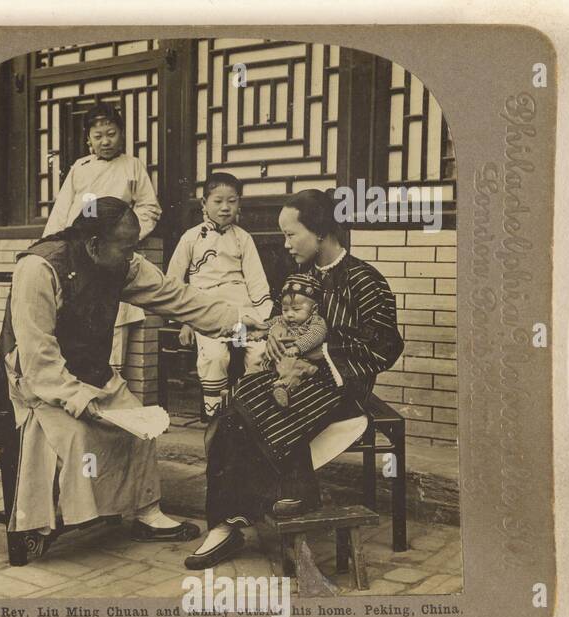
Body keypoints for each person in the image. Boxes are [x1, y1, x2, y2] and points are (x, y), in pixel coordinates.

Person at [0, 197, 266, 556]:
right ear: (94, 244)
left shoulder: (119, 262)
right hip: (39, 378)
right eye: (126, 248)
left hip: (91, 369)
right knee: (77, 433)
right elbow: (37, 353)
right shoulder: (39, 268)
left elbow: (174, 296)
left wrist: (234, 318)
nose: (132, 256)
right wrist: (79, 399)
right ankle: (44, 521)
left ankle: (147, 514)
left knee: (138, 424)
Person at [185, 189, 404, 569]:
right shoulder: (300, 279)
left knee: (248, 415)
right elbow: (282, 322)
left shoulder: (365, 280)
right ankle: (237, 518)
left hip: (340, 386)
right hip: (292, 379)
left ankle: (255, 511)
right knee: (232, 406)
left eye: (291, 234)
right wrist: (273, 336)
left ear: (320, 231)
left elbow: (386, 345)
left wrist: (321, 352)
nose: (285, 244)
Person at [42, 104, 159, 379]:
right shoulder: (80, 168)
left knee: (112, 324)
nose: (105, 141)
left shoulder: (132, 166)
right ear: (88, 140)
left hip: (112, 254)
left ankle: (108, 393)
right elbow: (62, 212)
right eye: (98, 136)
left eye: (111, 133)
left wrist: (126, 236)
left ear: (121, 134)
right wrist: (50, 245)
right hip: (78, 253)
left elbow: (149, 208)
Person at [166, 172, 273, 419]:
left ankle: (249, 408)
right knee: (214, 356)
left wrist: (263, 319)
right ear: (204, 204)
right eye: (218, 201)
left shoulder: (243, 238)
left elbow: (257, 281)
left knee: (259, 352)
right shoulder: (190, 238)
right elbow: (172, 282)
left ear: (239, 203)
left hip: (241, 310)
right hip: (204, 309)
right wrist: (187, 320)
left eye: (232, 201)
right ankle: (216, 415)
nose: (225, 207)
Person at [246, 273, 328, 410]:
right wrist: (259, 332)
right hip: (277, 359)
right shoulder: (283, 319)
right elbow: (270, 324)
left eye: (296, 309)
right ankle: (244, 385)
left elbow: (316, 335)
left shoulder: (316, 322)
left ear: (314, 309)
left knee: (295, 369)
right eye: (285, 309)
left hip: (300, 358)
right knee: (256, 362)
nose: (289, 314)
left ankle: (283, 389)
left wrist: (297, 347)